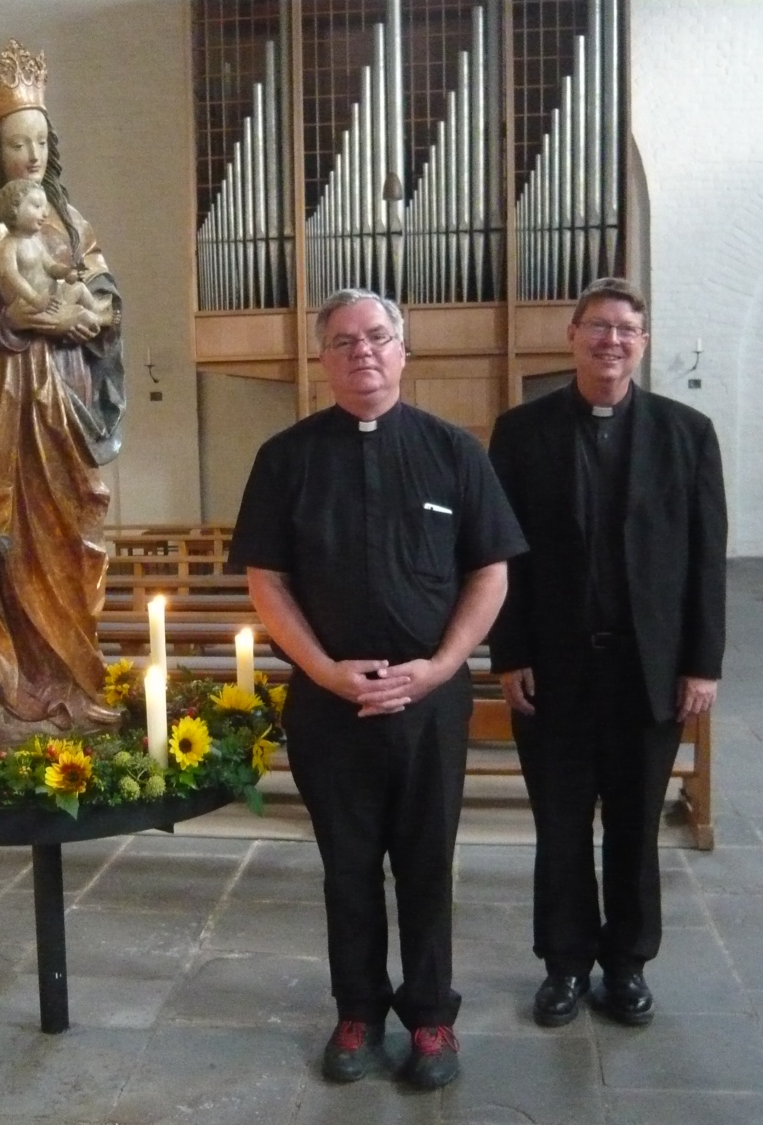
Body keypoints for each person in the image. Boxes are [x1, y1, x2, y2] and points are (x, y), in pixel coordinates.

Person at [228, 289, 526, 1090]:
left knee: (428, 864)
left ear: (404, 350)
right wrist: (323, 669)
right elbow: (266, 579)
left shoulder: (454, 452)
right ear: (321, 358)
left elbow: (489, 572)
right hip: (330, 703)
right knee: (347, 867)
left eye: (378, 337)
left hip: (430, 701)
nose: (362, 351)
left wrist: (439, 665)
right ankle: (356, 1009)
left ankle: (432, 1018)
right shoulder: (285, 457)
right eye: (343, 340)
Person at [488, 276, 726, 1028]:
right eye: (597, 325)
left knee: (634, 824)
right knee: (559, 825)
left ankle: (625, 963)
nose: (611, 339)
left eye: (626, 328)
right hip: (553, 670)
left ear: (643, 342)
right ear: (572, 335)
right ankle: (563, 964)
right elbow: (504, 554)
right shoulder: (521, 432)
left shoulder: (688, 433)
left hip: (646, 670)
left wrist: (703, 663)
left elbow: (705, 560)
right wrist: (510, 650)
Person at [0, 40, 127, 733]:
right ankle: (22, 683)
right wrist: (25, 323)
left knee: (74, 528)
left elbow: (104, 293)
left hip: (65, 400)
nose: (33, 157)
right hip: (9, 408)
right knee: (17, 538)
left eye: (41, 142)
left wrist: (92, 317)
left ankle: (76, 679)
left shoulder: (73, 224)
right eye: (19, 146)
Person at [0, 179, 117, 328]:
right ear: (14, 208)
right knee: (80, 314)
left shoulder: (35, 242)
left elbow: (50, 266)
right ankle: (102, 320)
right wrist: (35, 298)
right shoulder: (8, 245)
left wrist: (66, 272)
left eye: (45, 207)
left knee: (79, 288)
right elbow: (11, 275)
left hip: (54, 301)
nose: (44, 213)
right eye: (37, 206)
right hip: (36, 310)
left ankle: (96, 307)